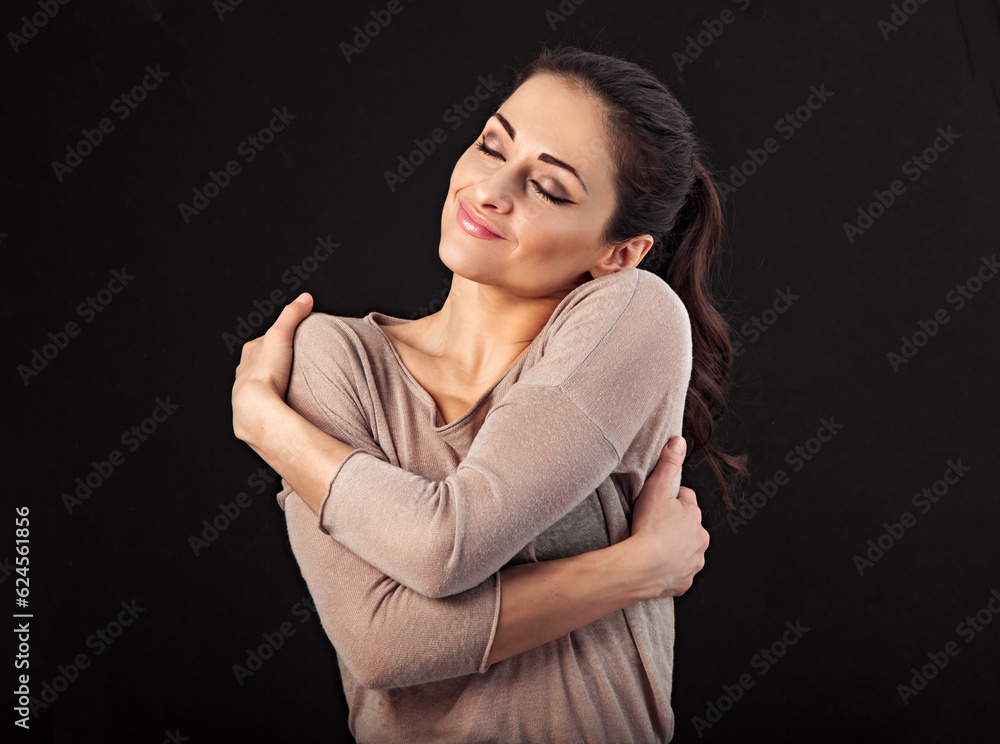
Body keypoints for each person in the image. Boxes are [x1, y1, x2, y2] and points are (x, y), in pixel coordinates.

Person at [232, 44, 746, 743]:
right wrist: (631, 570)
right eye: (491, 146)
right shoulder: (332, 358)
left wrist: (270, 428)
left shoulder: (634, 316)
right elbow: (382, 644)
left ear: (618, 253)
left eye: (550, 188)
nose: (491, 190)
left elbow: (448, 550)